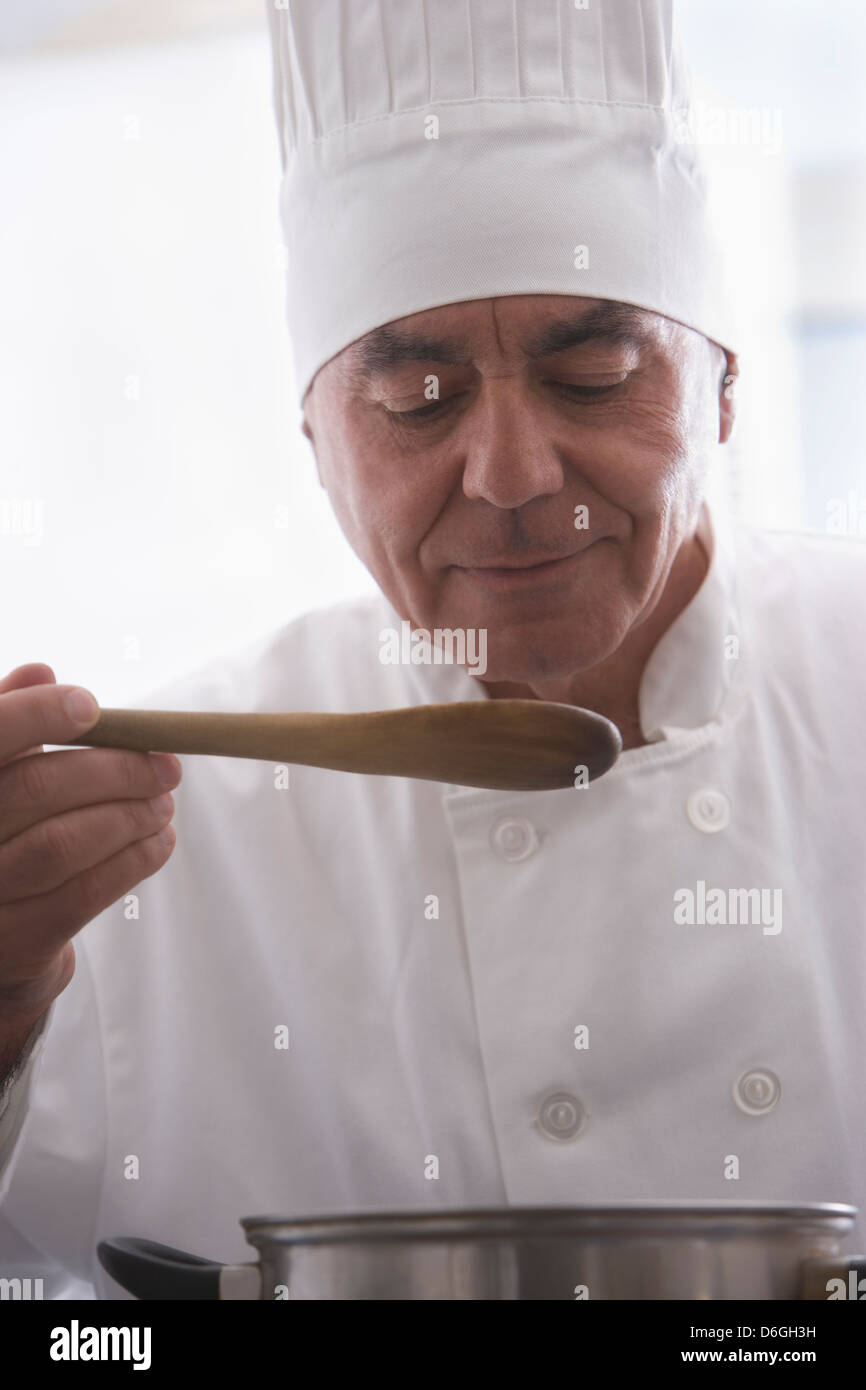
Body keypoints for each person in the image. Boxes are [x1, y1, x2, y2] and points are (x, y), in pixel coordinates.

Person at [0, 0, 863, 1299]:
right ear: (313, 442)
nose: (511, 476)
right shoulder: (154, 830)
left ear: (724, 385)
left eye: (593, 375)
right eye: (415, 400)